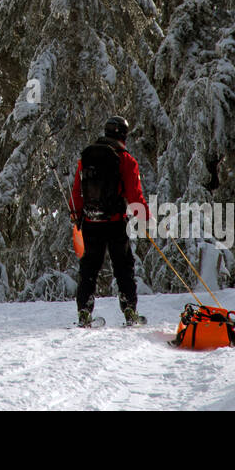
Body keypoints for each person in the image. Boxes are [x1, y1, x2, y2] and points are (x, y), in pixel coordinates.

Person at [69, 115, 149, 328]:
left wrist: (76, 214)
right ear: (124, 135)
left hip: (90, 221)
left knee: (89, 268)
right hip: (115, 222)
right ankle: (130, 311)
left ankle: (84, 313)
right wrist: (144, 217)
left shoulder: (86, 157)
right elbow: (134, 195)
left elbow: (77, 190)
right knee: (123, 267)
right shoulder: (126, 159)